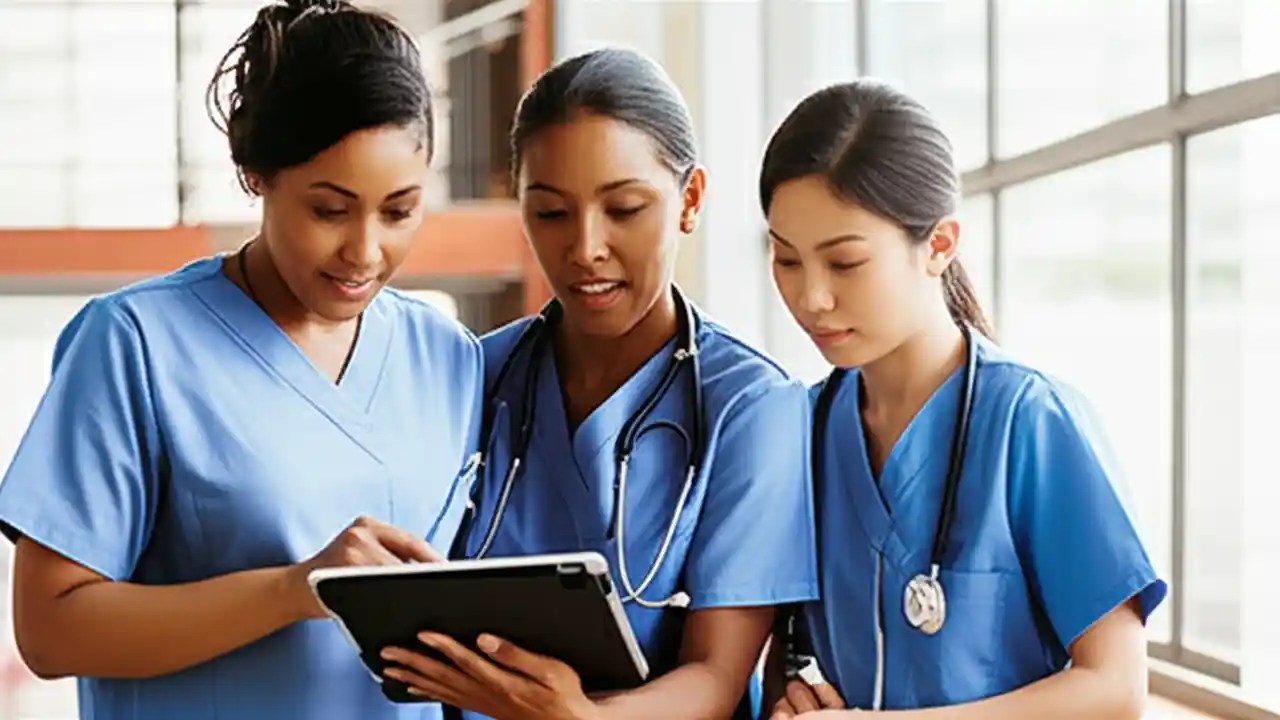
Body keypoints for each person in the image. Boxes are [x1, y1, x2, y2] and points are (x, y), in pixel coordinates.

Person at [0, 2, 483, 718]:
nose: (365, 250)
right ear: (256, 174)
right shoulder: (136, 343)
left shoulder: (447, 357)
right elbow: (48, 630)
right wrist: (295, 589)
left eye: (399, 210)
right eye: (329, 210)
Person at [378, 48, 819, 720]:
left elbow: (716, 676)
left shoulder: (751, 406)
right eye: (551, 213)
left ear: (690, 199)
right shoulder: (474, 378)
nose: (585, 247)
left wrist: (579, 719)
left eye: (624, 208)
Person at [758, 81, 1168, 719]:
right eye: (786, 260)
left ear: (940, 245)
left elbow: (1115, 689)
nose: (811, 298)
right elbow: (786, 652)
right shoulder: (801, 433)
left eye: (844, 263)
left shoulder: (1030, 422)